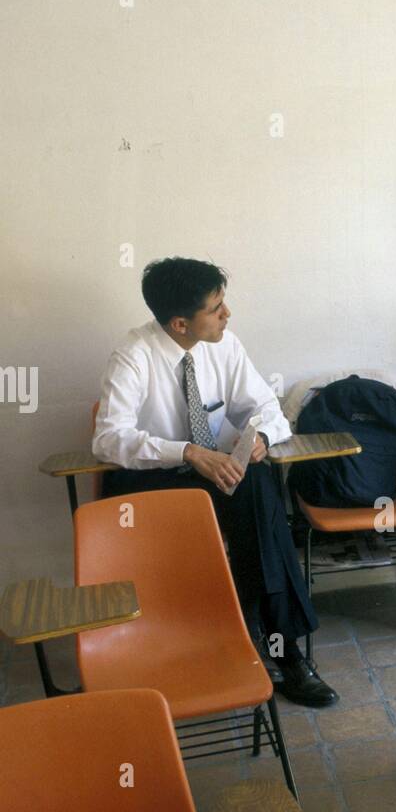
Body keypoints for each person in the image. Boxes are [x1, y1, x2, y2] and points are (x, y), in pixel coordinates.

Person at [93, 256, 338, 708]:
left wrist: (262, 435)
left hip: (215, 473)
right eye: (217, 307)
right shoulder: (134, 354)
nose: (228, 314)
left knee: (259, 491)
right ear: (180, 322)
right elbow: (108, 440)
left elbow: (265, 406)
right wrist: (186, 452)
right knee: (241, 505)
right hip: (153, 481)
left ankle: (283, 652)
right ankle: (226, 638)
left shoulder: (224, 344)